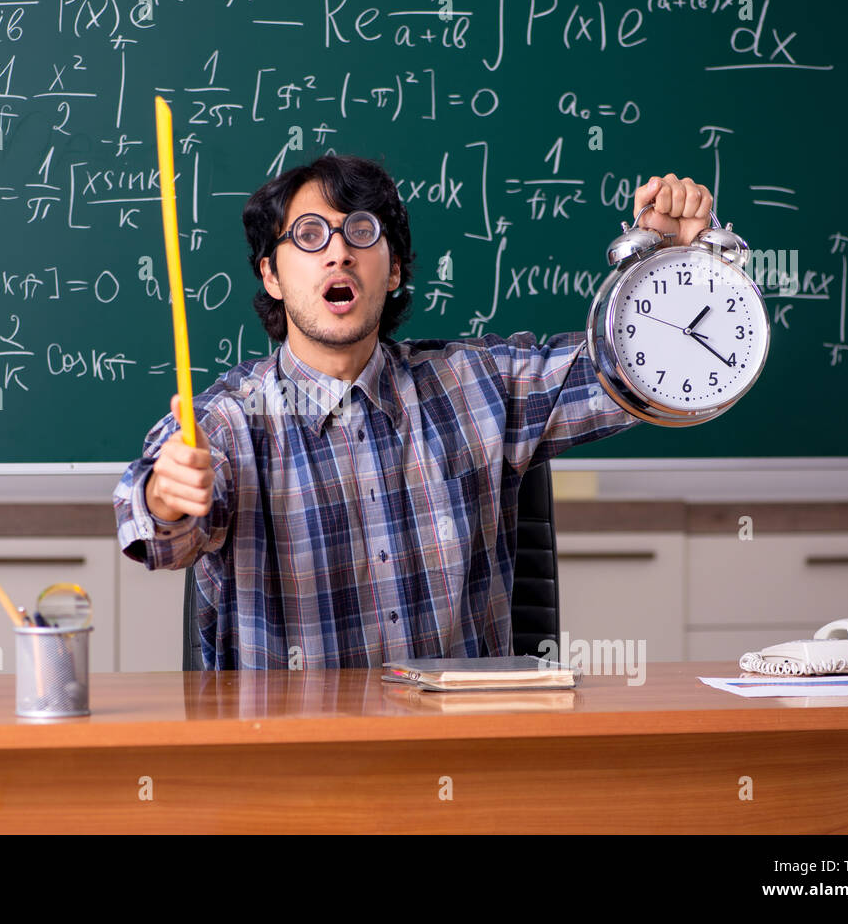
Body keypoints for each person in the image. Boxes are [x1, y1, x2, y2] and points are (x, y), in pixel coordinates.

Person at [114, 155, 712, 669]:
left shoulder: (478, 385)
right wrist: (168, 496)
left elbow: (629, 376)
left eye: (362, 231)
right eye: (309, 235)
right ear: (271, 275)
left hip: (465, 763)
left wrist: (668, 266)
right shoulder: (230, 422)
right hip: (296, 776)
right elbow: (154, 530)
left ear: (394, 269)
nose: (339, 253)